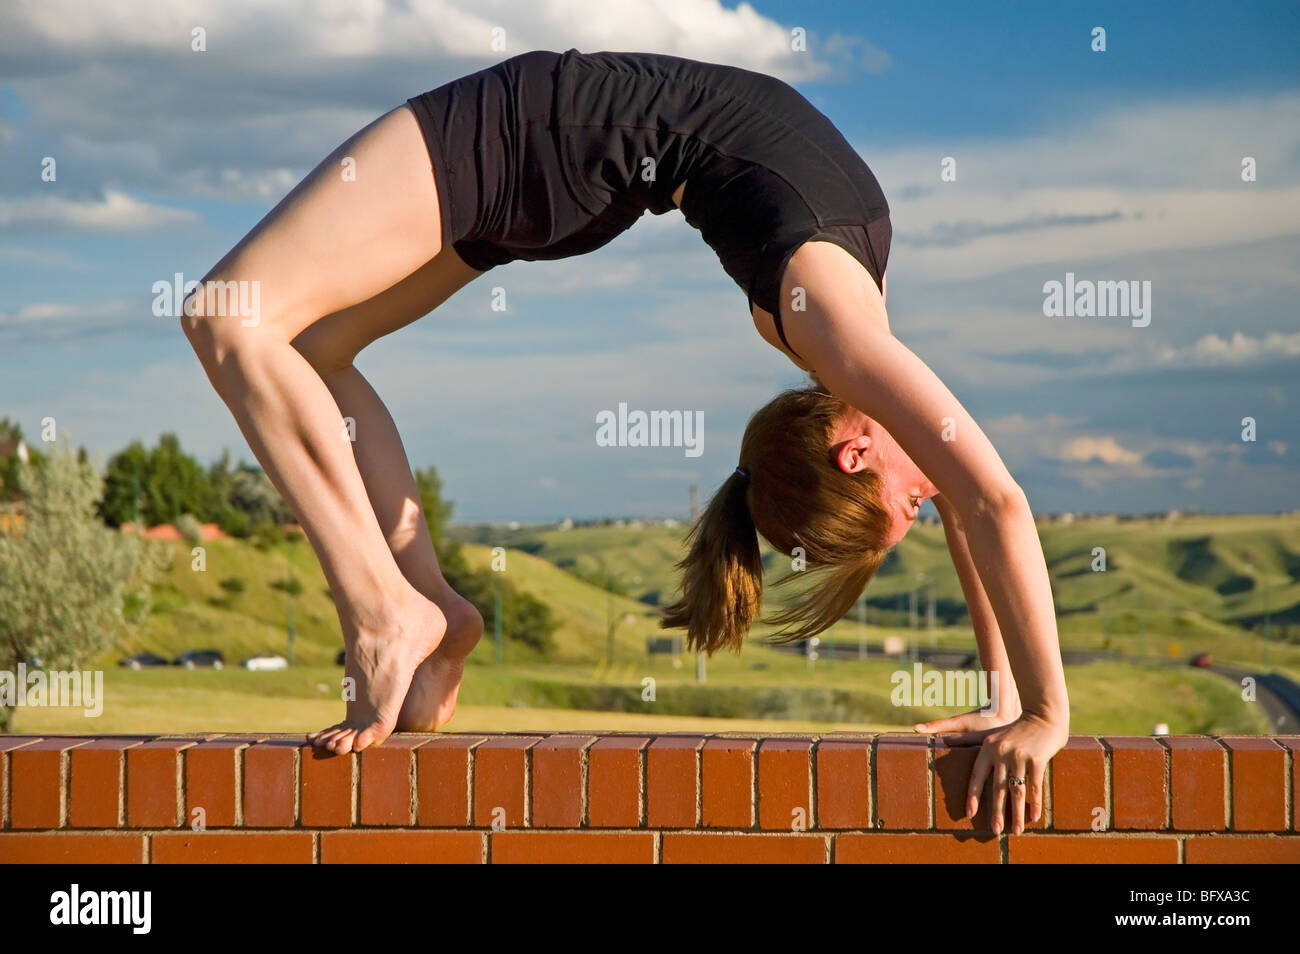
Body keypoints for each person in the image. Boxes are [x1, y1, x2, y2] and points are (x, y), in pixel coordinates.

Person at [180, 49, 1068, 835]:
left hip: (543, 134)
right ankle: (425, 602)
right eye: (905, 506)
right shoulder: (844, 331)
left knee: (226, 316)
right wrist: (1032, 706)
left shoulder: (843, 331)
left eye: (910, 506)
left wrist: (1023, 706)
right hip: (562, 160)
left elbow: (979, 506)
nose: (928, 496)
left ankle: (384, 613)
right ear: (855, 452)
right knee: (306, 348)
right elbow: (985, 505)